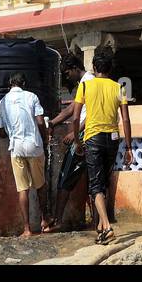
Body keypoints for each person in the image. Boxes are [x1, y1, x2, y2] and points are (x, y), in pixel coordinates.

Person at [69, 47, 131, 245]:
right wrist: (129, 147)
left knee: (95, 185)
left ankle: (107, 226)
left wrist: (77, 141)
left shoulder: (86, 86)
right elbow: (126, 119)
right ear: (110, 68)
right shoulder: (119, 87)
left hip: (93, 138)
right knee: (102, 182)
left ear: (94, 67)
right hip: (113, 139)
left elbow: (76, 116)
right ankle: (100, 228)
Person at [0, 72, 54, 237]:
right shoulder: (31, 97)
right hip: (34, 145)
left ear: (10, 85)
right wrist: (44, 139)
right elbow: (41, 121)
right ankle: (44, 220)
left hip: (15, 148)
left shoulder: (2, 102)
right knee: (40, 185)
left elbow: (1, 132)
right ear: (24, 84)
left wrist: (11, 130)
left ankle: (27, 229)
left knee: (23, 189)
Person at [44, 54, 93, 232]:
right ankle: (98, 221)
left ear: (74, 69)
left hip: (84, 138)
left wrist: (76, 133)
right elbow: (72, 108)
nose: (67, 77)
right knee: (94, 181)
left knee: (65, 178)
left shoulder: (88, 81)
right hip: (90, 136)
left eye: (67, 73)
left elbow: (92, 112)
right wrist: (54, 122)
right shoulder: (85, 82)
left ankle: (58, 221)